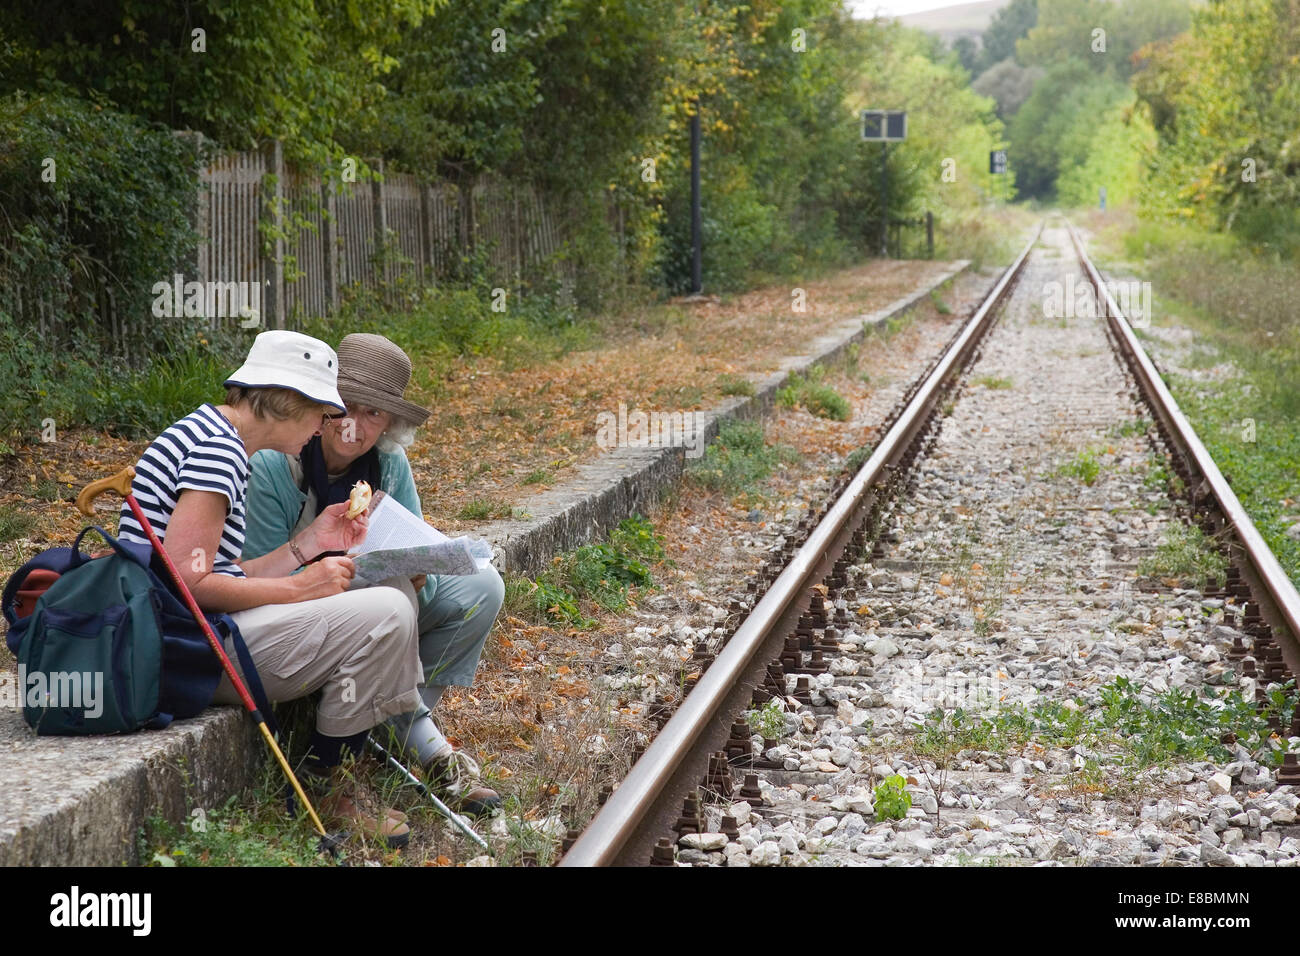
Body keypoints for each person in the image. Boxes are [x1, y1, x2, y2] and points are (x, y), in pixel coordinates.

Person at [117, 330, 421, 847]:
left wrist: (308, 545)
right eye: (321, 412)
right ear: (287, 403)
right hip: (183, 648)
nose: (328, 425)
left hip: (182, 633)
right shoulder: (219, 452)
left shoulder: (211, 433)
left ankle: (341, 776)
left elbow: (220, 570)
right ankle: (330, 788)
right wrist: (302, 588)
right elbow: (188, 582)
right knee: (389, 610)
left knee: (382, 601)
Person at [242, 333, 504, 815]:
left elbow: (412, 546)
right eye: (346, 408)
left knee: (482, 586)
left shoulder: (389, 462)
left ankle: (394, 721)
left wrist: (420, 570)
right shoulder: (277, 465)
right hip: (300, 612)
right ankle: (428, 747)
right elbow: (255, 580)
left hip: (382, 607)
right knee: (391, 591)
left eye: (373, 415)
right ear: (323, 405)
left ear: (389, 425)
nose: (353, 427)